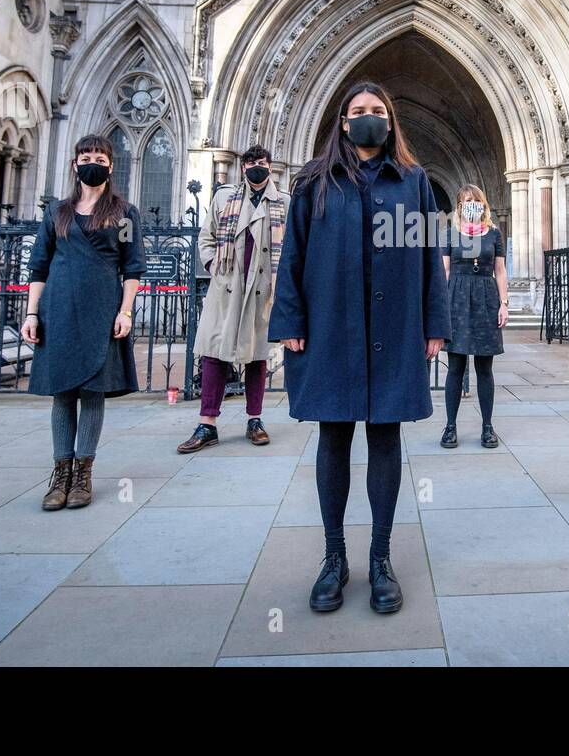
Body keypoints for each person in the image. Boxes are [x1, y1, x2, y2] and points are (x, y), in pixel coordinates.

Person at [268, 80, 449, 615]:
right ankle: (333, 556)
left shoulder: (413, 181)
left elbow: (427, 256)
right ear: (342, 122)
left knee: (386, 436)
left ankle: (380, 558)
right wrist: (290, 321)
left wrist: (433, 323)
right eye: (358, 111)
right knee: (334, 436)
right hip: (329, 326)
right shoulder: (314, 182)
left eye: (377, 110)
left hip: (393, 328)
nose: (368, 117)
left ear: (390, 120)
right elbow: (292, 256)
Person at [23, 134, 147, 510]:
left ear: (111, 165)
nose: (92, 161)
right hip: (57, 310)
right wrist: (31, 312)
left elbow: (133, 267)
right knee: (62, 393)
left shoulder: (124, 213)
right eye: (85, 156)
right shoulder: (56, 212)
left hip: (101, 311)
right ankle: (60, 473)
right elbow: (39, 266)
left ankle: (83, 474)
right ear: (75, 164)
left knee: (92, 392)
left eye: (99, 156)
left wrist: (125, 311)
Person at [180, 146, 290, 453]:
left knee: (257, 356)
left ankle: (255, 420)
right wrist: (213, 264)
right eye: (252, 163)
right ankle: (207, 423)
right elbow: (206, 237)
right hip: (227, 285)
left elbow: (293, 245)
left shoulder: (284, 202)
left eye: (263, 163)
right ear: (242, 167)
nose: (257, 168)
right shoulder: (223, 198)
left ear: (271, 168)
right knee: (214, 354)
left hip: (261, 288)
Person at [439, 185, 508, 449]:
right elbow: (444, 271)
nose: (472, 204)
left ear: (484, 204)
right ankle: (450, 426)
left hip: (486, 299)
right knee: (455, 367)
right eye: (467, 201)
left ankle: (488, 427)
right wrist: (440, 307)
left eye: (476, 200)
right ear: (459, 206)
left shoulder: (493, 234)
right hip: (456, 299)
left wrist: (504, 304)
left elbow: (500, 271)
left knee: (484, 368)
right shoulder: (451, 234)